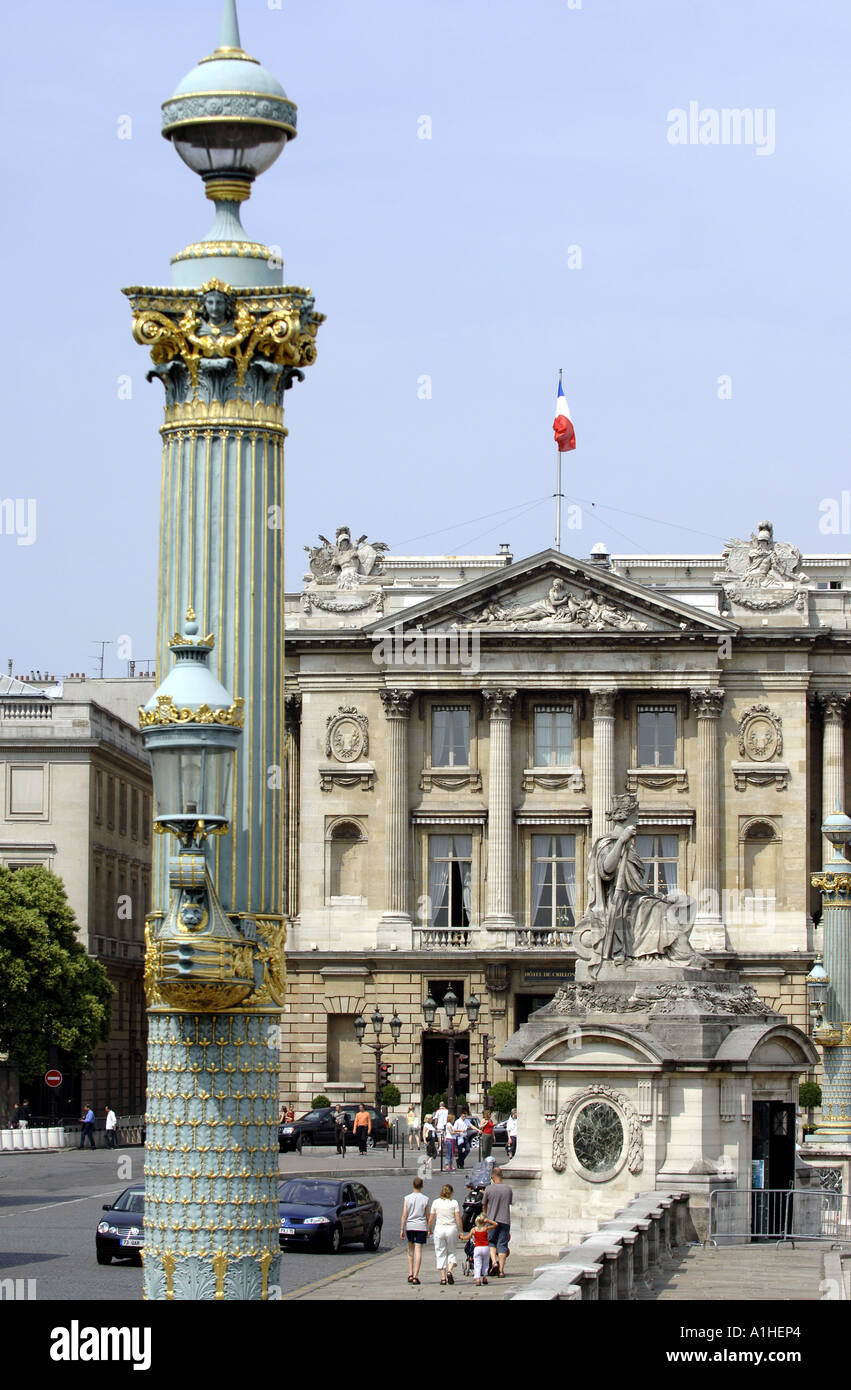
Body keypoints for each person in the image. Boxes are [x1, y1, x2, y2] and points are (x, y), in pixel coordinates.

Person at [427, 1183, 463, 1286]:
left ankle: (443, 1278)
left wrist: (429, 1229)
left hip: (439, 1228)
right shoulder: (454, 1203)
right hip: (451, 1228)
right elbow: (458, 1218)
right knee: (452, 1251)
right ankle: (450, 1270)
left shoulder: (436, 1202)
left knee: (440, 1252)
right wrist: (461, 1231)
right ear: (451, 1193)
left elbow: (431, 1218)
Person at [483, 1166, 513, 1277]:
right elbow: (509, 1203)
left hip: (491, 1220)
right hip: (505, 1219)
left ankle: (494, 1262)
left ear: (492, 1176)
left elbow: (484, 1205)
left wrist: (485, 1216)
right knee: (502, 1245)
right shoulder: (508, 1189)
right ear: (502, 1176)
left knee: (491, 1242)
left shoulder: (489, 1189)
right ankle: (501, 1270)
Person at [400, 1176, 430, 1285]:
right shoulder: (425, 1199)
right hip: (421, 1226)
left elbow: (404, 1214)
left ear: (413, 1185)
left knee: (410, 1250)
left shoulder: (407, 1198)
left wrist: (401, 1229)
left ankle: (410, 1273)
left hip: (410, 1226)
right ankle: (416, 1276)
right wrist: (429, 1228)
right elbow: (428, 1215)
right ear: (421, 1186)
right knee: (418, 1251)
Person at [471, 1212, 498, 1286]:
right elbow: (496, 1224)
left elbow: (467, 1237)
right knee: (485, 1263)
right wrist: (488, 1221)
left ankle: (478, 1279)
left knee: (477, 1264)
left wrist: (462, 1237)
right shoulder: (486, 1228)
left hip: (477, 1248)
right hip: (486, 1248)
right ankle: (485, 1277)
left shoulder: (474, 1229)